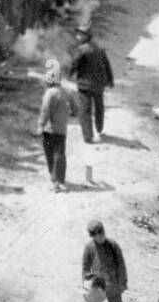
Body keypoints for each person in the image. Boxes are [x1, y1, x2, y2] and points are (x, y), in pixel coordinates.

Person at [82, 221, 129, 302]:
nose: (100, 238)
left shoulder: (112, 245)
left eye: (101, 234)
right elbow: (85, 268)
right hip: (98, 290)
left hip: (114, 287)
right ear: (92, 236)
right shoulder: (89, 248)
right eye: (97, 236)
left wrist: (123, 282)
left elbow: (121, 264)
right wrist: (87, 287)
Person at [69, 24, 114, 144]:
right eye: (78, 33)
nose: (78, 36)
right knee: (99, 106)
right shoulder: (99, 47)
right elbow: (107, 65)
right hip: (99, 84)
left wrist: (67, 75)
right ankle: (99, 128)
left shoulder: (81, 49)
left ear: (86, 36)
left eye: (80, 34)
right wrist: (110, 80)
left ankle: (88, 136)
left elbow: (74, 65)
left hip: (85, 85)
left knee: (84, 110)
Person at [38, 60, 73, 192]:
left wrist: (41, 124)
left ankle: (54, 180)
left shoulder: (49, 93)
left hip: (48, 130)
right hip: (61, 129)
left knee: (49, 154)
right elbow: (75, 108)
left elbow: (45, 110)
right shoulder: (67, 92)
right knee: (60, 154)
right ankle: (61, 180)